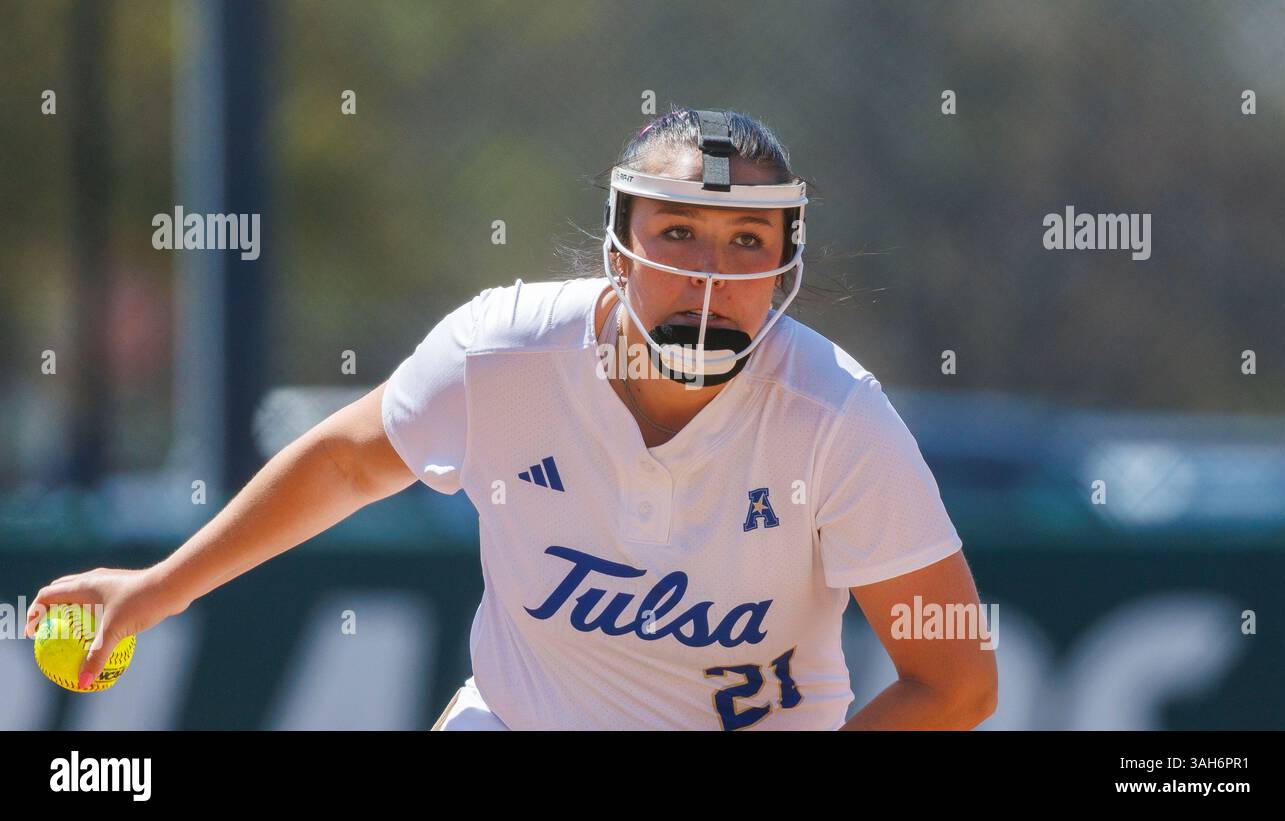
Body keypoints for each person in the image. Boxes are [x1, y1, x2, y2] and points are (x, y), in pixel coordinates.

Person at [26, 107, 996, 730]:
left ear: (785, 265)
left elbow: (956, 679)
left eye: (747, 239)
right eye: (677, 233)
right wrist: (158, 586)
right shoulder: (505, 352)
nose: (710, 271)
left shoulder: (834, 418)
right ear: (618, 247)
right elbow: (347, 464)